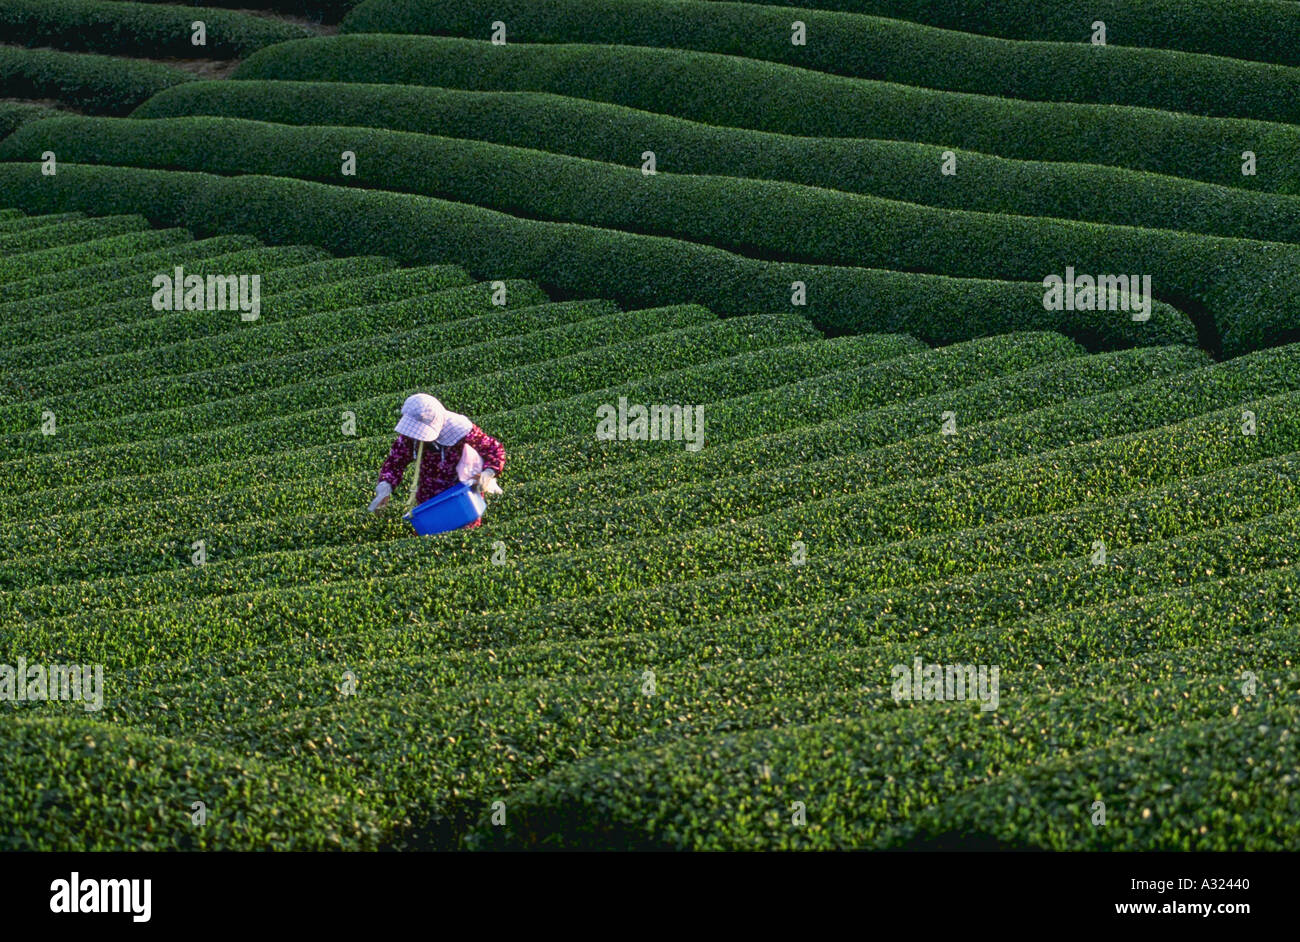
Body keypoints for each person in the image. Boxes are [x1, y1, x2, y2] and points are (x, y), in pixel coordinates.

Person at [369, 393, 505, 528]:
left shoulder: (461, 429)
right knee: (432, 532)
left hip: (461, 493)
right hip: (429, 495)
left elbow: (493, 449)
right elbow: (395, 462)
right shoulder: (409, 437)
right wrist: (385, 486)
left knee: (464, 531)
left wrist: (489, 472)